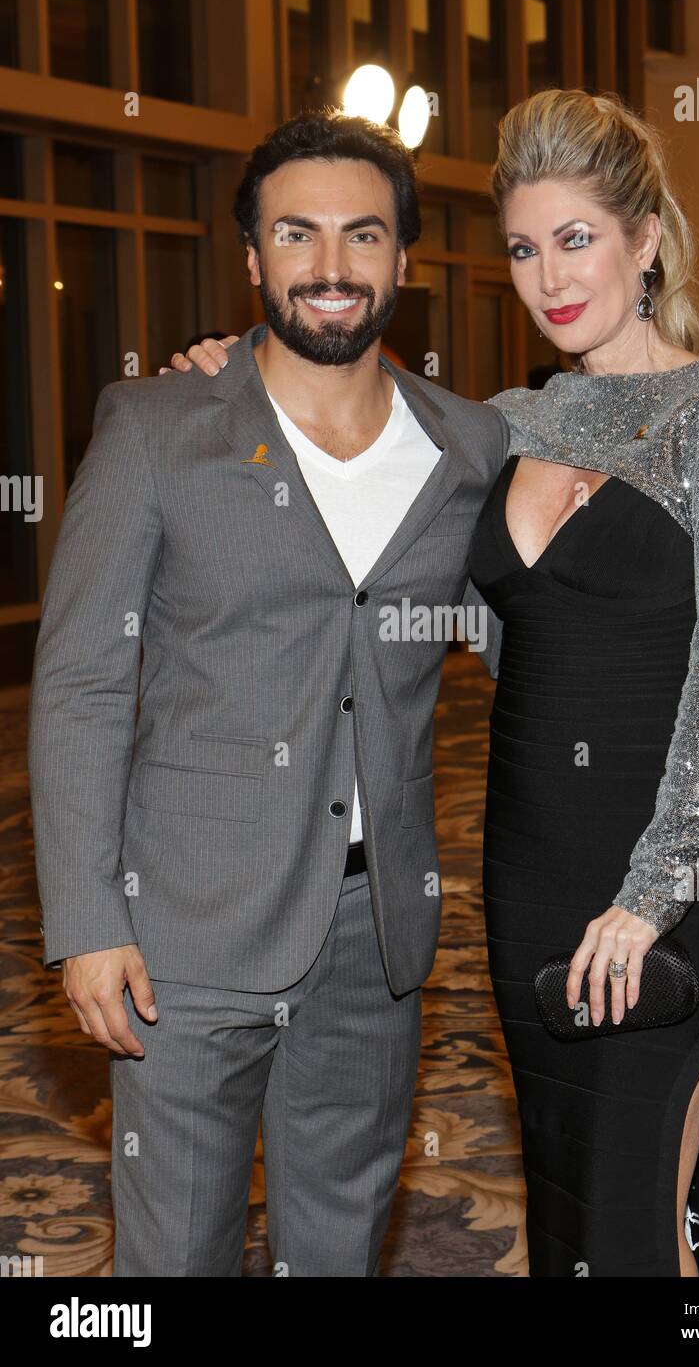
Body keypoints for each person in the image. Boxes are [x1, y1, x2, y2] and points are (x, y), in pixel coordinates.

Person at [179, 90, 699, 1279]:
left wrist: (653, 890)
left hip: (660, 860)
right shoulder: (499, 425)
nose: (548, 277)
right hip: (524, 850)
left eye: (575, 240)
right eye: (522, 247)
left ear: (644, 240)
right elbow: (342, 458)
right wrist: (223, 372)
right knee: (560, 1165)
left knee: (638, 1174)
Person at [28, 110, 508, 1278]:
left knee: (339, 1242)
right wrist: (88, 923)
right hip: (182, 930)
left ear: (403, 259)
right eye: (297, 235)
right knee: (175, 1253)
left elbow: (532, 647)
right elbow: (83, 681)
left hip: (372, 930)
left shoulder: (470, 448)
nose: (331, 267)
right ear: (251, 257)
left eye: (362, 236)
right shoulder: (154, 427)